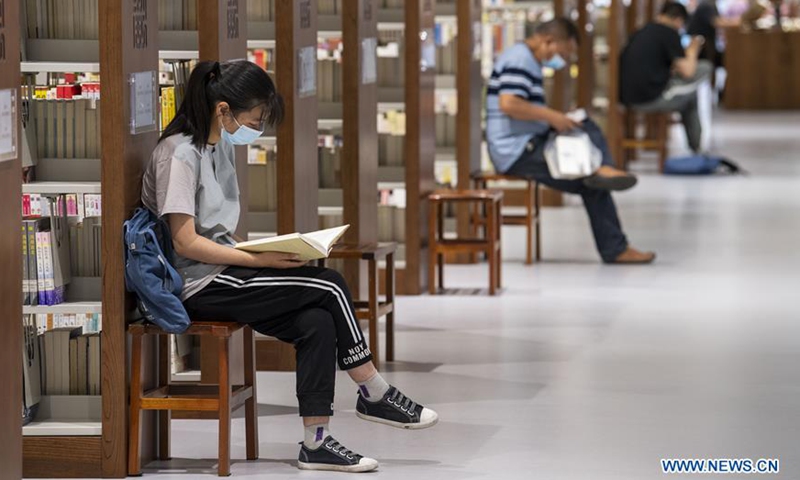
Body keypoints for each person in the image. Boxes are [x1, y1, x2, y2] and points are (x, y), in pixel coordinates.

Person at [141, 60, 438, 473]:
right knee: (331, 285)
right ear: (223, 109)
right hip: (197, 284)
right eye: (255, 118)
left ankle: (315, 443)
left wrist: (266, 253)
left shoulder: (218, 144)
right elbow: (185, 241)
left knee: (317, 321)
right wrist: (258, 260)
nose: (257, 126)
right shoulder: (179, 154)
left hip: (226, 269)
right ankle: (374, 391)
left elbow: (219, 231)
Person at [486, 18, 655, 264]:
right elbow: (509, 103)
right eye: (563, 53)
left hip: (529, 141)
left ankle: (602, 174)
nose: (562, 60)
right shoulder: (520, 60)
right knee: (592, 181)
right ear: (548, 41)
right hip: (517, 150)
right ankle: (614, 243)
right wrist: (552, 117)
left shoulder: (526, 59)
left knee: (585, 126)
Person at [620, 1, 713, 153]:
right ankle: (697, 150)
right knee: (703, 71)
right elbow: (688, 71)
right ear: (678, 20)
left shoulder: (642, 31)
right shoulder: (668, 33)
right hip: (650, 97)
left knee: (689, 93)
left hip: (627, 96)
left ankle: (696, 148)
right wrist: (693, 49)